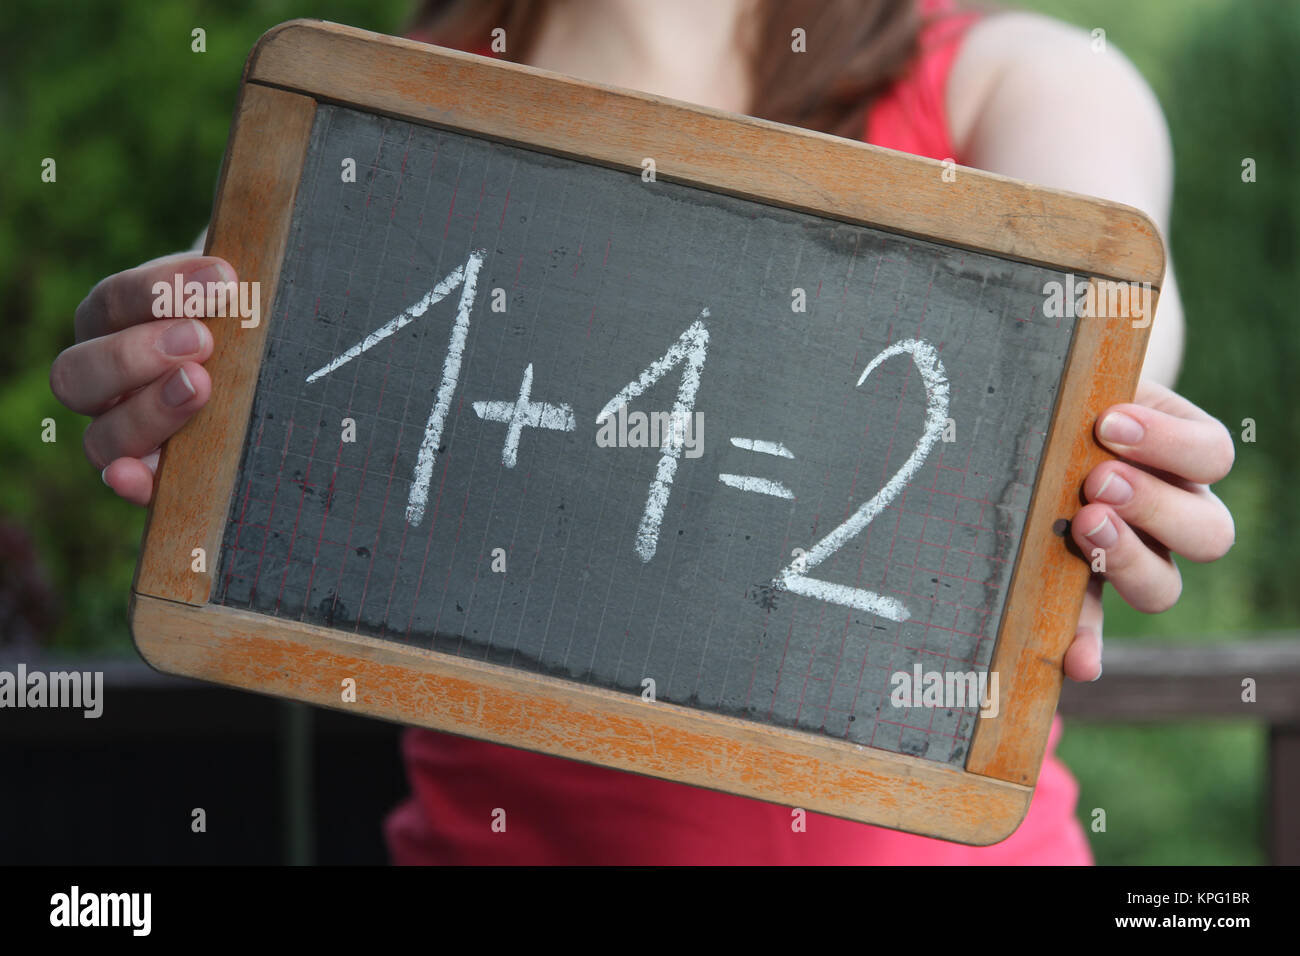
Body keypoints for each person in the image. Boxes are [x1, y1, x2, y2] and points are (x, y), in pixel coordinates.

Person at [50, 0, 1235, 864]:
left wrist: (1117, 454)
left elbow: (1121, 323)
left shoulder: (1017, 79)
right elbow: (256, 455)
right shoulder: (383, 115)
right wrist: (179, 422)